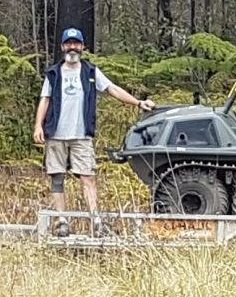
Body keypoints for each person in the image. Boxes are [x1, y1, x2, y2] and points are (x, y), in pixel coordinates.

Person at [33, 27, 155, 229]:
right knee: (57, 176)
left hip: (82, 136)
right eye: (69, 43)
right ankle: (62, 220)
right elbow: (44, 100)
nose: (73, 47)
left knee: (88, 176)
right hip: (56, 134)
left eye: (76, 43)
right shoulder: (53, 74)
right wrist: (38, 126)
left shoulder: (90, 72)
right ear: (63, 47)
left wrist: (138, 103)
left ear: (82, 47)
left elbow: (112, 89)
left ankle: (95, 220)